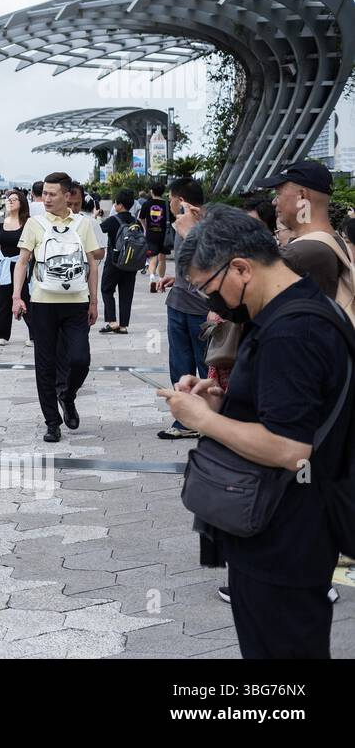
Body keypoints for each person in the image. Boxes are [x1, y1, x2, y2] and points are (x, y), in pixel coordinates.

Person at [161, 206, 347, 657]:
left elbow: (289, 448)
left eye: (210, 287)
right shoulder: (299, 307)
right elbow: (292, 410)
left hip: (285, 533)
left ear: (241, 267)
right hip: (293, 527)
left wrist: (201, 420)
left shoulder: (291, 333)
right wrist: (221, 404)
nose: (211, 301)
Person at [12, 172, 101, 442]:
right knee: (45, 365)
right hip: (42, 303)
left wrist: (94, 301)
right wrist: (17, 296)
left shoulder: (83, 224)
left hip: (76, 303)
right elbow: (23, 262)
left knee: (80, 360)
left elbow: (93, 263)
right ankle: (52, 421)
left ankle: (68, 395)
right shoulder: (34, 224)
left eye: (52, 194)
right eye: (44, 194)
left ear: (67, 195)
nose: (46, 199)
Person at [156, 177, 210, 439]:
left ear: (180, 200)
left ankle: (210, 421)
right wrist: (176, 278)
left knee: (205, 365)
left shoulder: (203, 225)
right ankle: (186, 421)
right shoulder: (180, 224)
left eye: (171, 197)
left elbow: (210, 262)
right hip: (177, 303)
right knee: (180, 367)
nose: (169, 202)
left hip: (200, 309)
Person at [266, 160, 355, 311]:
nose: (275, 202)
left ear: (301, 196)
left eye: (278, 193)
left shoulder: (299, 254)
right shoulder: (338, 242)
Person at [0, 187, 32, 346]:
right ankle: (0, 334)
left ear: (21, 203)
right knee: (1, 300)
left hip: (22, 265)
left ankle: (34, 334)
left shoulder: (28, 222)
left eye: (14, 200)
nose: (10, 202)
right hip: (4, 266)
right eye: (8, 199)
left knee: (27, 298)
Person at [98, 189, 142, 334]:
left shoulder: (113, 220)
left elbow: (98, 231)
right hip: (131, 263)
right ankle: (123, 326)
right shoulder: (136, 221)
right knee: (126, 293)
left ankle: (112, 321)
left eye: (115, 203)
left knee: (106, 289)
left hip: (114, 262)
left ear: (120, 205)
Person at [140, 181, 170, 291]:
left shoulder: (147, 204)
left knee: (153, 257)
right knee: (162, 259)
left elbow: (141, 217)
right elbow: (172, 220)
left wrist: (145, 227)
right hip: (164, 235)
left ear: (152, 191)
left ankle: (152, 277)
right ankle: (161, 281)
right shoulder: (167, 204)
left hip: (151, 234)